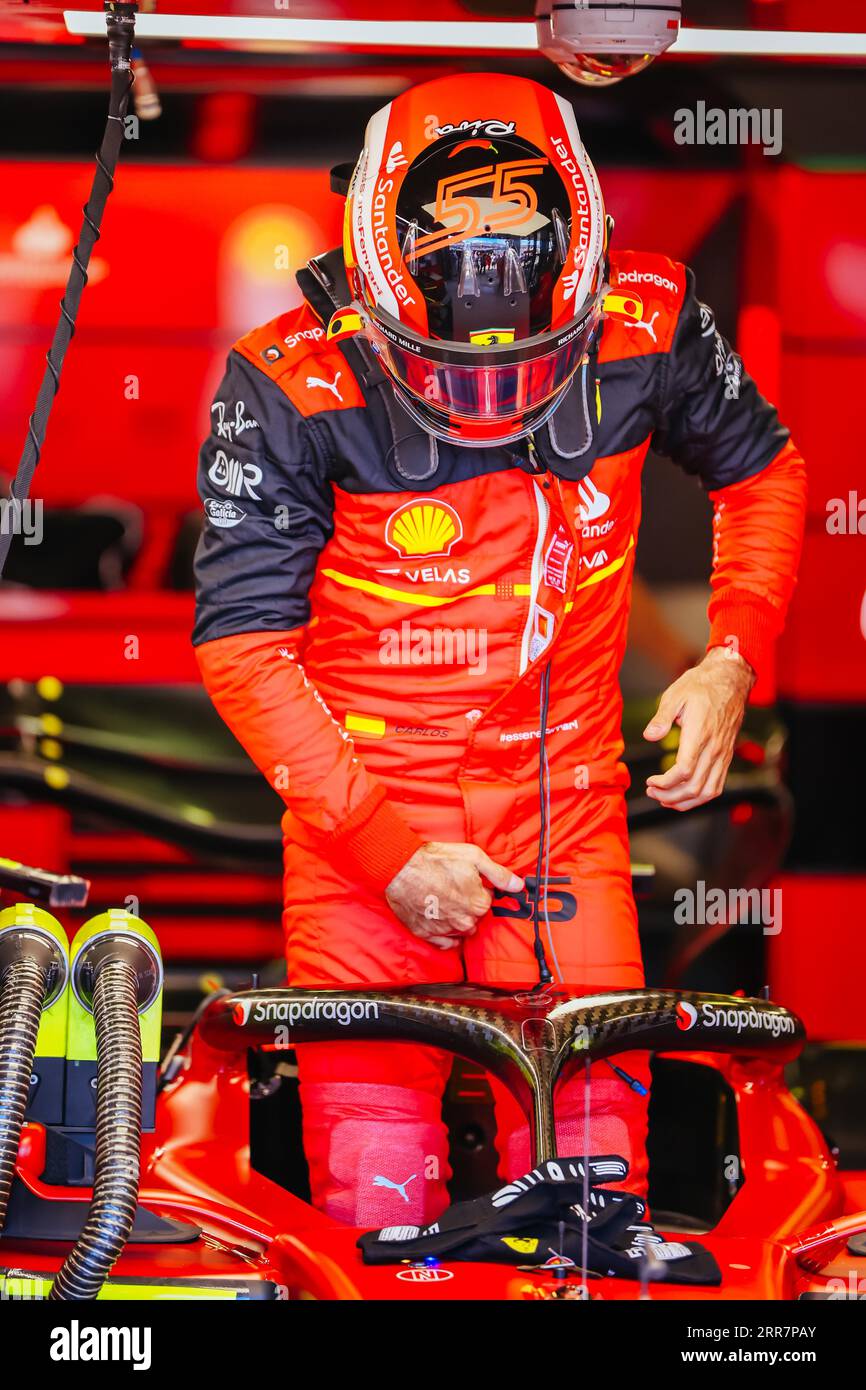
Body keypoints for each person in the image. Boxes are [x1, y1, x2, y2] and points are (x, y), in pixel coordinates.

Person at [193, 72, 806, 1228]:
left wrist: (732, 652)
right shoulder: (285, 381)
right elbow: (244, 650)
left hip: (564, 812)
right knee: (383, 1216)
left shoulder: (649, 322)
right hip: (366, 829)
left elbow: (764, 470)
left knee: (597, 1199)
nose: (487, 394)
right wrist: (386, 852)